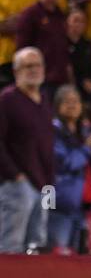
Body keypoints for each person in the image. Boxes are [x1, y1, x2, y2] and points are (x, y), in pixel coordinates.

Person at [0, 47, 55, 252]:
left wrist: (50, 187)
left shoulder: (45, 102)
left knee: (37, 245)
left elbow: (48, 148)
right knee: (11, 245)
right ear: (16, 72)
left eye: (37, 65)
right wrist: (15, 176)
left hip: (44, 186)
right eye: (27, 66)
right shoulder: (6, 100)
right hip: (16, 186)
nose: (33, 70)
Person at [49, 85, 91, 249]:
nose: (72, 105)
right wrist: (88, 149)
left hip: (83, 205)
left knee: (76, 258)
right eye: (67, 101)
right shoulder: (52, 131)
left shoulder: (85, 131)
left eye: (76, 101)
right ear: (57, 106)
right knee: (58, 253)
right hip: (58, 203)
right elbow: (65, 162)